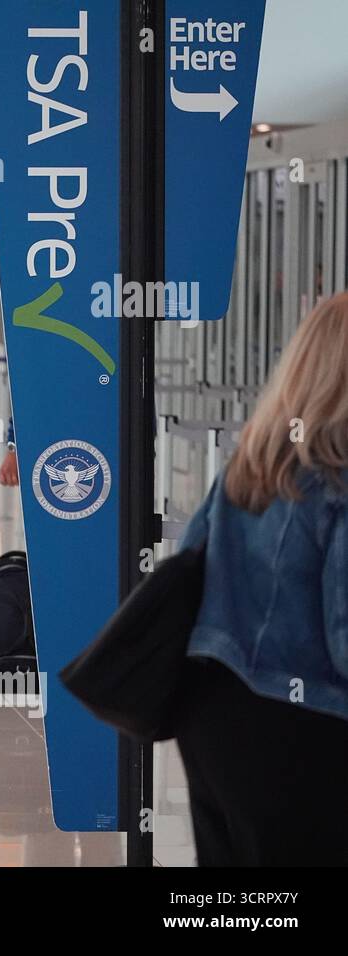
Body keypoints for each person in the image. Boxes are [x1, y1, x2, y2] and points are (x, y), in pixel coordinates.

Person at [174, 291, 348, 866]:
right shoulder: (338, 484)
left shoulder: (250, 465)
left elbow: (190, 567)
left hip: (214, 713)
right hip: (305, 724)